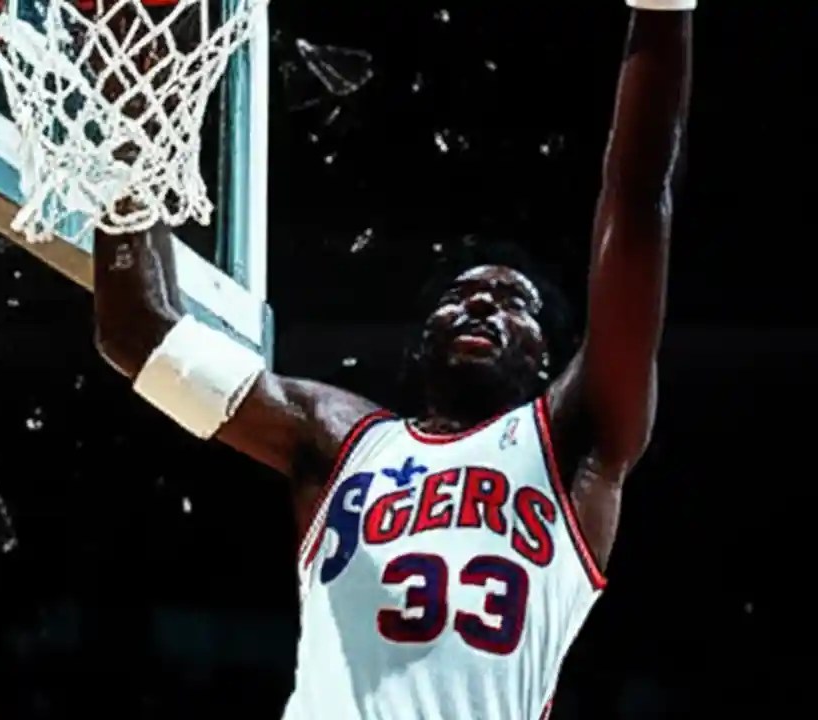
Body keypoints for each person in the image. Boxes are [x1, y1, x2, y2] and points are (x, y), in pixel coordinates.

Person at [91, 1, 693, 717]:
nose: (480, 303)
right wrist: (130, 107)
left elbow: (640, 198)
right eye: (460, 296)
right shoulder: (337, 436)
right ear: (420, 343)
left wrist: (662, 13)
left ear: (546, 361)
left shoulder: (574, 444)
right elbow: (137, 334)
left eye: (514, 302)